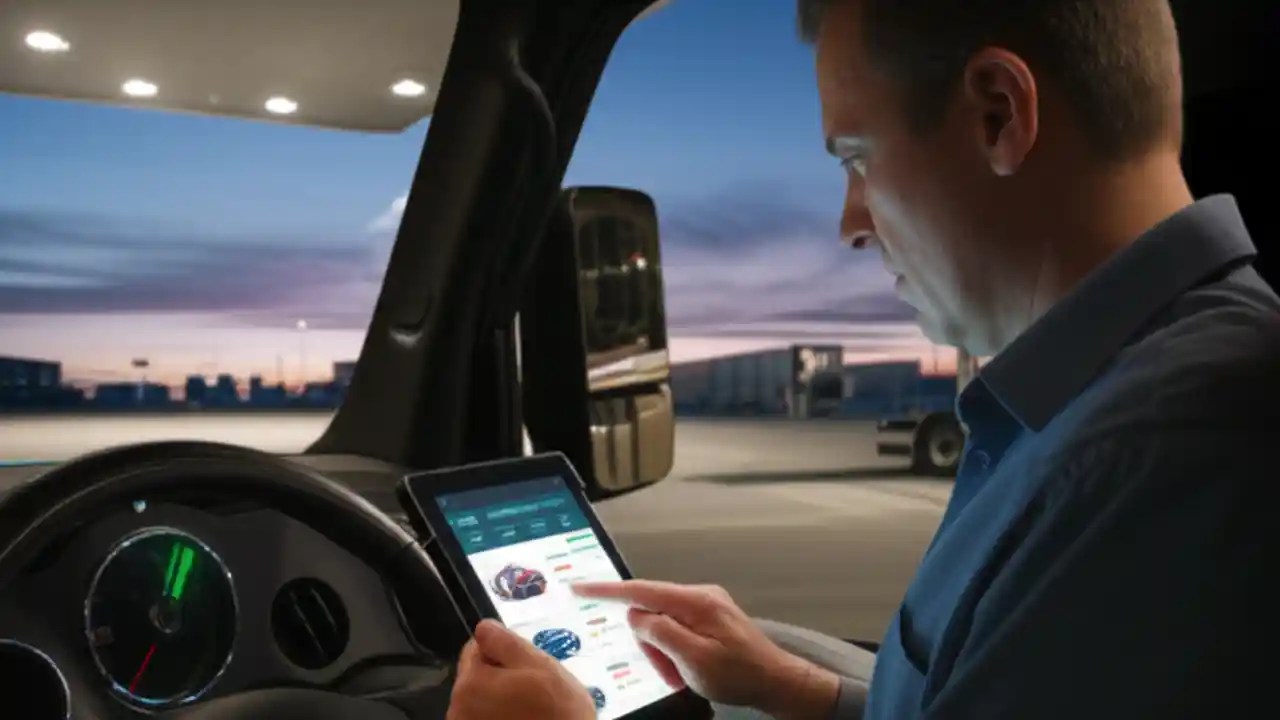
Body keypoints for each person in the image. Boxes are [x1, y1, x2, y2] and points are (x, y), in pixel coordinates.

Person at [446, 0, 1278, 717]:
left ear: (999, 114)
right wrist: (793, 688)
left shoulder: (1158, 460)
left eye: (855, 159)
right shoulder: (1111, 403)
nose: (851, 221)